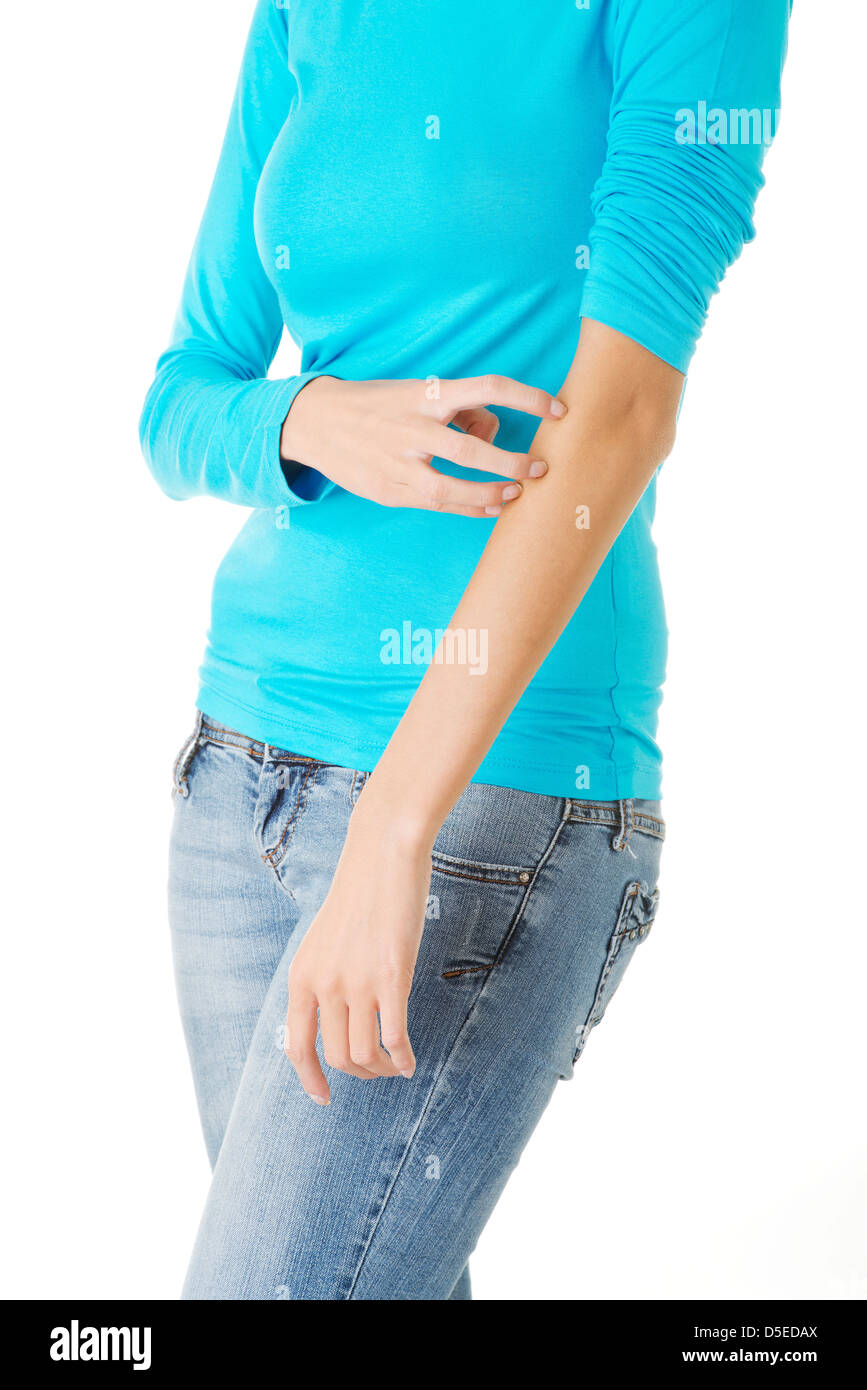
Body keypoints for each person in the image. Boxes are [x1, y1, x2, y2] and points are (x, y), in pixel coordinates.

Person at [140, 0, 791, 1300]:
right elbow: (179, 397)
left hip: (485, 792)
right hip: (238, 769)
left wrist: (395, 826)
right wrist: (312, 419)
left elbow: (619, 417)